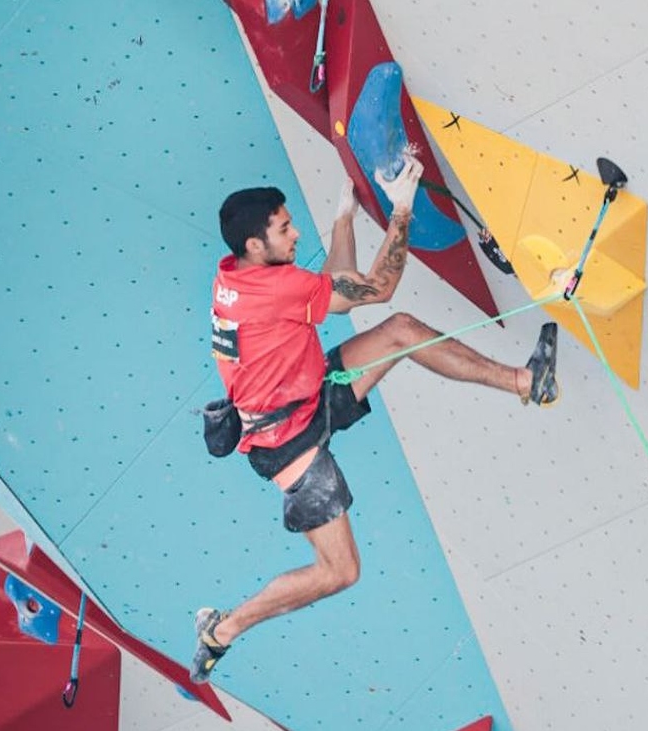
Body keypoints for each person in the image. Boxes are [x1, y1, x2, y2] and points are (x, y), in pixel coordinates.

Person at [189, 154, 559, 683]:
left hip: (303, 398)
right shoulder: (273, 289)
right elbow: (375, 288)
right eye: (285, 228)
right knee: (340, 571)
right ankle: (221, 630)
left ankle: (528, 383)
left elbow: (335, 289)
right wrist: (401, 210)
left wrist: (345, 214)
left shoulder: (236, 273)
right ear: (254, 245)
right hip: (288, 447)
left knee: (402, 331)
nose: (294, 234)